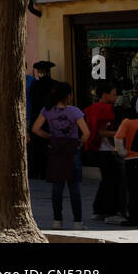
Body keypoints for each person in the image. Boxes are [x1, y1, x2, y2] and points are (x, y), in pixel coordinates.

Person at [32, 82, 89, 229]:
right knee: (74, 186)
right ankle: (78, 221)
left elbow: (36, 129)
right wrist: (80, 142)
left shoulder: (47, 110)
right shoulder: (74, 111)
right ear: (68, 95)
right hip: (71, 149)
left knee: (57, 187)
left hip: (56, 149)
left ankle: (57, 220)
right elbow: (86, 133)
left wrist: (50, 136)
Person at [83, 81, 121, 222]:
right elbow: (101, 132)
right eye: (114, 94)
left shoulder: (93, 108)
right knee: (112, 180)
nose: (116, 97)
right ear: (105, 95)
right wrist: (117, 134)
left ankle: (99, 209)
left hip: (97, 149)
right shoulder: (104, 109)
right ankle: (110, 212)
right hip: (103, 149)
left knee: (107, 180)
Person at [115, 103, 138, 226]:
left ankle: (135, 217)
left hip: (131, 159)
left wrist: (123, 152)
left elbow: (118, 138)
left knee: (134, 191)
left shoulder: (127, 122)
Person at [27, 60, 57, 179]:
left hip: (36, 117)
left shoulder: (34, 85)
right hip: (49, 117)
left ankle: (35, 172)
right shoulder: (54, 84)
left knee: (35, 147)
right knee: (47, 146)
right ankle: (46, 172)